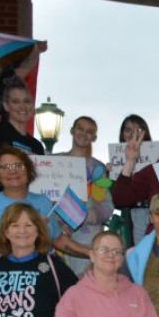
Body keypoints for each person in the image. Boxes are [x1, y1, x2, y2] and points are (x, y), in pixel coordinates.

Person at [0, 146, 90, 267]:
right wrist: (34, 228)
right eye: (4, 167)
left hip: (39, 270)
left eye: (18, 166)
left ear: (29, 171)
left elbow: (57, 239)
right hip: (0, 274)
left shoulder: (43, 201)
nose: (12, 171)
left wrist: (89, 252)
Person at [55, 115, 113, 276]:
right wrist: (56, 222)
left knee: (84, 287)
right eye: (80, 128)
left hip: (87, 237)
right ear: (72, 130)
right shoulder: (54, 161)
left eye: (90, 132)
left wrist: (82, 217)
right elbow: (42, 200)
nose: (84, 133)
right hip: (56, 235)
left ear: (94, 137)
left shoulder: (98, 169)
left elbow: (107, 206)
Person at [0, 78, 45, 181]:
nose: (23, 106)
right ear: (6, 106)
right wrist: (11, 166)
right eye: (16, 102)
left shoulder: (37, 146)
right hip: (1, 196)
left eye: (27, 101)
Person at [112, 114, 155, 243]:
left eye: (139, 129)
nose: (133, 134)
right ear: (122, 134)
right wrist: (110, 176)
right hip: (131, 215)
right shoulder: (114, 163)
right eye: (128, 130)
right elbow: (116, 198)